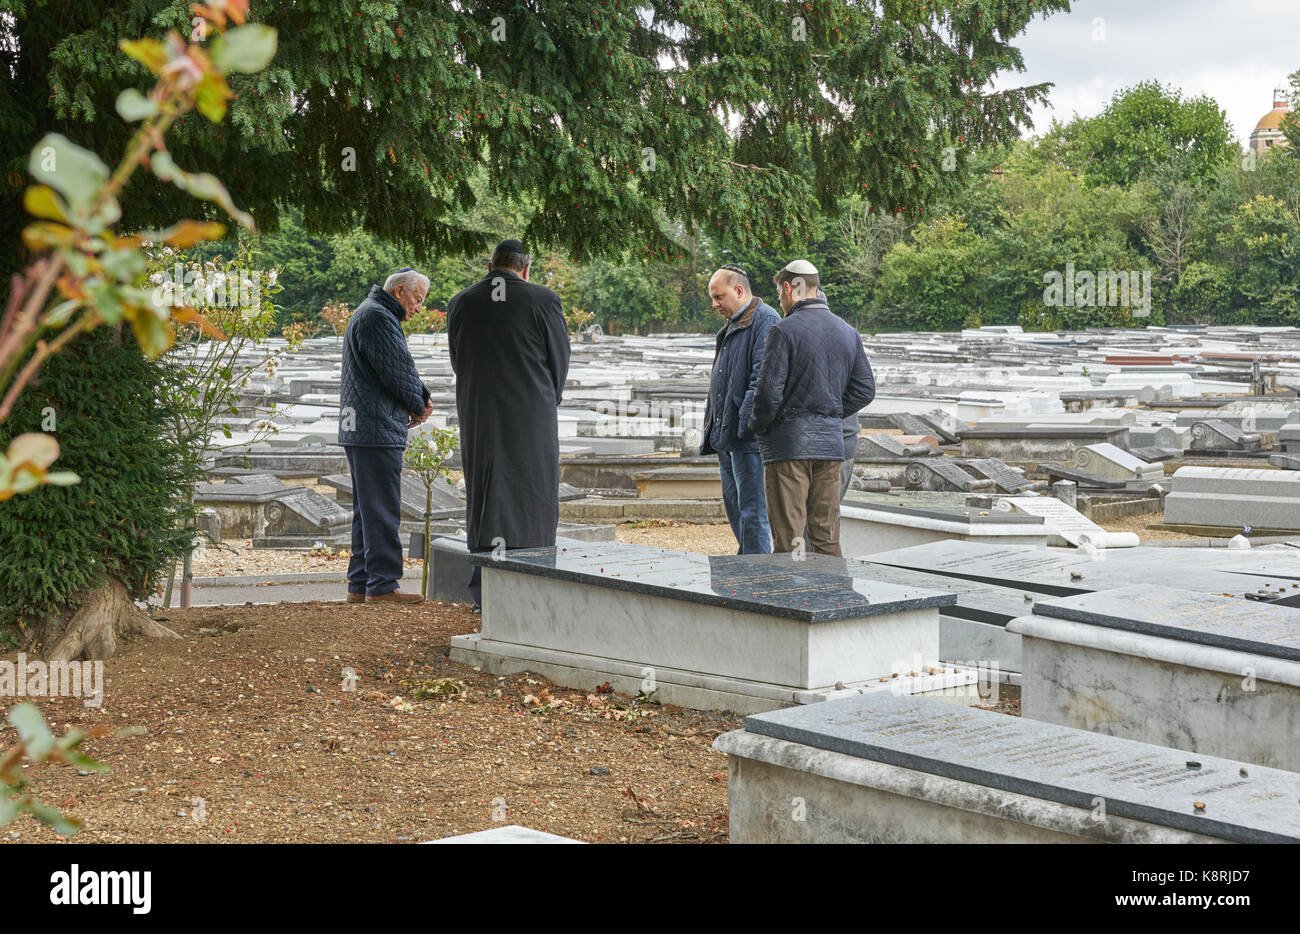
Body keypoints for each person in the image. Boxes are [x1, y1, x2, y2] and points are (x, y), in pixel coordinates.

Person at [447, 239, 571, 608]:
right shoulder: (543, 301)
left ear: (490, 267)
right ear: (526, 269)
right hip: (530, 417)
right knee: (532, 496)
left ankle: (484, 591)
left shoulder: (462, 302)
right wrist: (546, 398)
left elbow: (458, 359)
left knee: (488, 493)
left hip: (480, 414)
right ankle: (531, 587)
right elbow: (558, 363)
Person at [747, 260, 875, 556]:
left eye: (780, 293)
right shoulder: (847, 331)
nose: (780, 301)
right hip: (831, 445)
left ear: (792, 289)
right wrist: (828, 413)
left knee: (790, 536)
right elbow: (865, 389)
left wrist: (759, 425)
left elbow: (768, 395)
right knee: (826, 532)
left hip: (789, 448)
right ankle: (834, 599)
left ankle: (792, 599)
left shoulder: (784, 331)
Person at [337, 268, 433, 604]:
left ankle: (360, 584)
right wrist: (420, 403)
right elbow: (397, 368)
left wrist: (418, 395)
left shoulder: (370, 312)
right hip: (375, 426)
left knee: (367, 508)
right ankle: (383, 585)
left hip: (363, 426)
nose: (419, 307)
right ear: (400, 292)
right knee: (381, 508)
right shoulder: (378, 317)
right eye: (417, 299)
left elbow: (397, 367)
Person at [700, 263, 780, 554]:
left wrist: (745, 427)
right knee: (735, 507)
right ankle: (747, 559)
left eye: (718, 297)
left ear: (738, 289)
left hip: (745, 438)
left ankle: (757, 574)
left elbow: (761, 380)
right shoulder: (735, 322)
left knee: (752, 511)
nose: (714, 304)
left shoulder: (765, 320)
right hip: (727, 434)